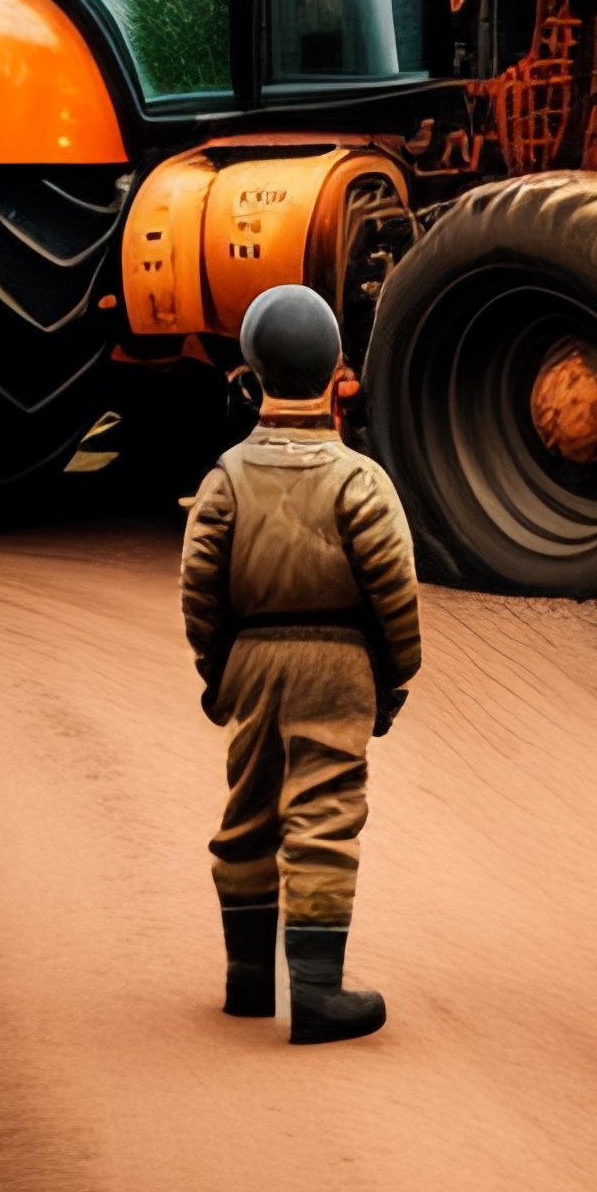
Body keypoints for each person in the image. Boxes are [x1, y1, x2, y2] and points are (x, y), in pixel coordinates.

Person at [180, 283, 422, 1044]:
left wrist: (218, 670)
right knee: (323, 814)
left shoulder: (224, 479)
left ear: (252, 374)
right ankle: (314, 991)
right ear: (335, 373)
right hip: (339, 661)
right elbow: (394, 593)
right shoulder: (359, 482)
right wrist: (391, 679)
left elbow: (201, 592)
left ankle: (249, 979)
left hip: (250, 656)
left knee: (248, 811)